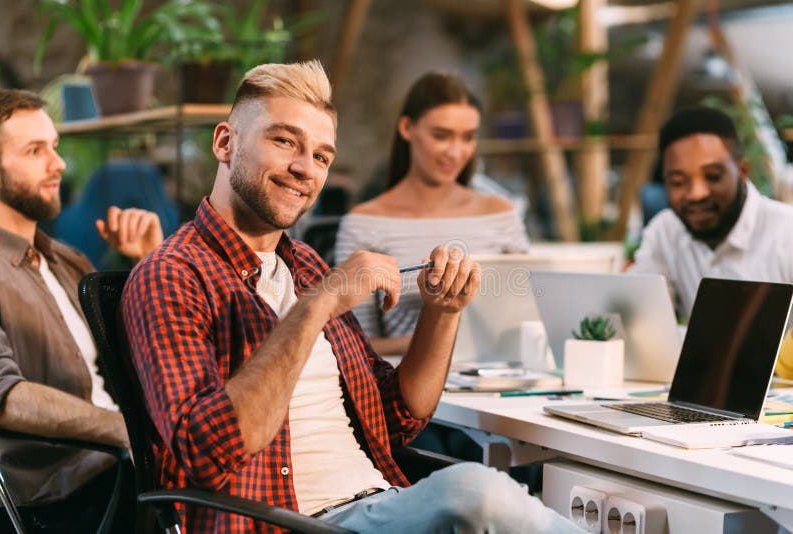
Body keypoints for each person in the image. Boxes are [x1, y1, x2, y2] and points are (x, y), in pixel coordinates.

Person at [121, 61, 582, 534]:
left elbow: (394, 417)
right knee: (476, 492)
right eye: (284, 141)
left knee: (481, 495)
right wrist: (319, 304)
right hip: (290, 522)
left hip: (379, 503)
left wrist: (441, 313)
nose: (304, 168)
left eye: (322, 156)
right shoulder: (171, 275)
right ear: (225, 142)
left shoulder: (305, 265)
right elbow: (209, 452)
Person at [0, 89, 164, 532]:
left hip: (127, 472)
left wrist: (149, 261)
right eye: (35, 151)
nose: (58, 164)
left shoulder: (69, 261)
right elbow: (3, 397)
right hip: (58, 497)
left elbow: (148, 362)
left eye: (54, 146)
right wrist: (127, 429)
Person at [335, 72, 529, 356]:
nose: (455, 152)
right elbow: (354, 343)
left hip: (500, 380)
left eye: (468, 138)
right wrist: (443, 335)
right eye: (441, 135)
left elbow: (527, 319)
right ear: (406, 128)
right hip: (403, 383)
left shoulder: (501, 213)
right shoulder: (364, 223)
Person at [629, 105, 793, 323]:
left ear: (742, 172)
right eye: (678, 182)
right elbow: (638, 316)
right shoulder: (666, 232)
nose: (696, 194)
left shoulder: (787, 234)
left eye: (713, 176)